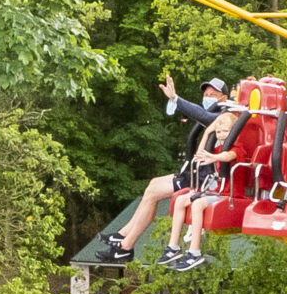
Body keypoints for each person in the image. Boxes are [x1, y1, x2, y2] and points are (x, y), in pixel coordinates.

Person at [91, 76, 231, 265]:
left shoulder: (224, 116)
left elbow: (203, 116)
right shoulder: (216, 114)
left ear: (224, 97)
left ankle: (125, 245)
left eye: (212, 94)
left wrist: (176, 99)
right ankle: (123, 237)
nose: (207, 97)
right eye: (206, 94)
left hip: (205, 178)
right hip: (196, 173)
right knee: (152, 186)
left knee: (154, 191)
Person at [161, 109, 244, 271]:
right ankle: (173, 246)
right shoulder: (218, 149)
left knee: (198, 204)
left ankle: (194, 251)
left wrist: (214, 158)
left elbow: (229, 156)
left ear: (234, 132)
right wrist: (207, 133)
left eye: (225, 131)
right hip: (216, 191)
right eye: (218, 132)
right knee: (180, 200)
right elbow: (199, 155)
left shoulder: (238, 148)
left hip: (229, 194)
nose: (220, 135)